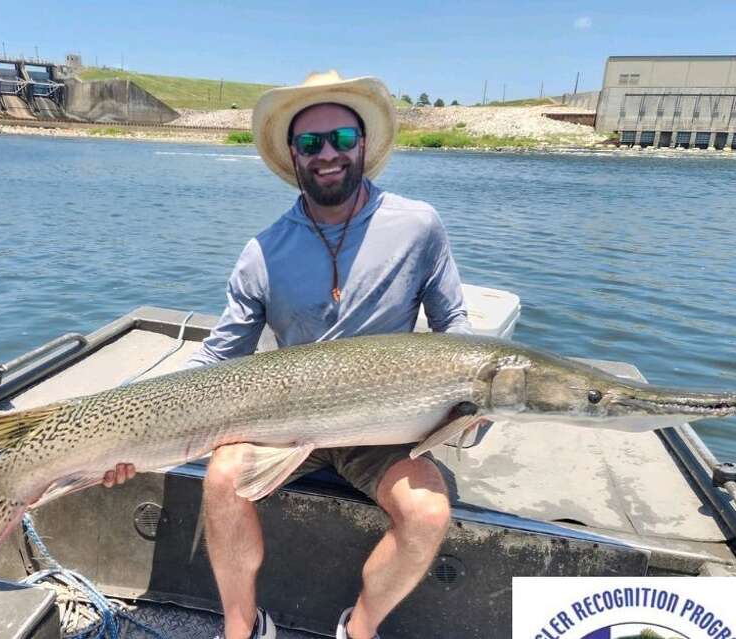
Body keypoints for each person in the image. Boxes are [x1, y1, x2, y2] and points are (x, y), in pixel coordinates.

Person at [104, 70, 472, 639]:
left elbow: (455, 328)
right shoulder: (262, 252)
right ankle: (241, 627)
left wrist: (471, 407)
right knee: (223, 475)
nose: (328, 154)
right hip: (285, 424)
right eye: (311, 143)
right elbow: (220, 358)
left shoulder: (419, 227)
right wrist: (124, 433)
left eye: (342, 140)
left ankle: (361, 628)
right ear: (294, 156)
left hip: (381, 428)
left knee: (428, 512)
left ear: (364, 147)